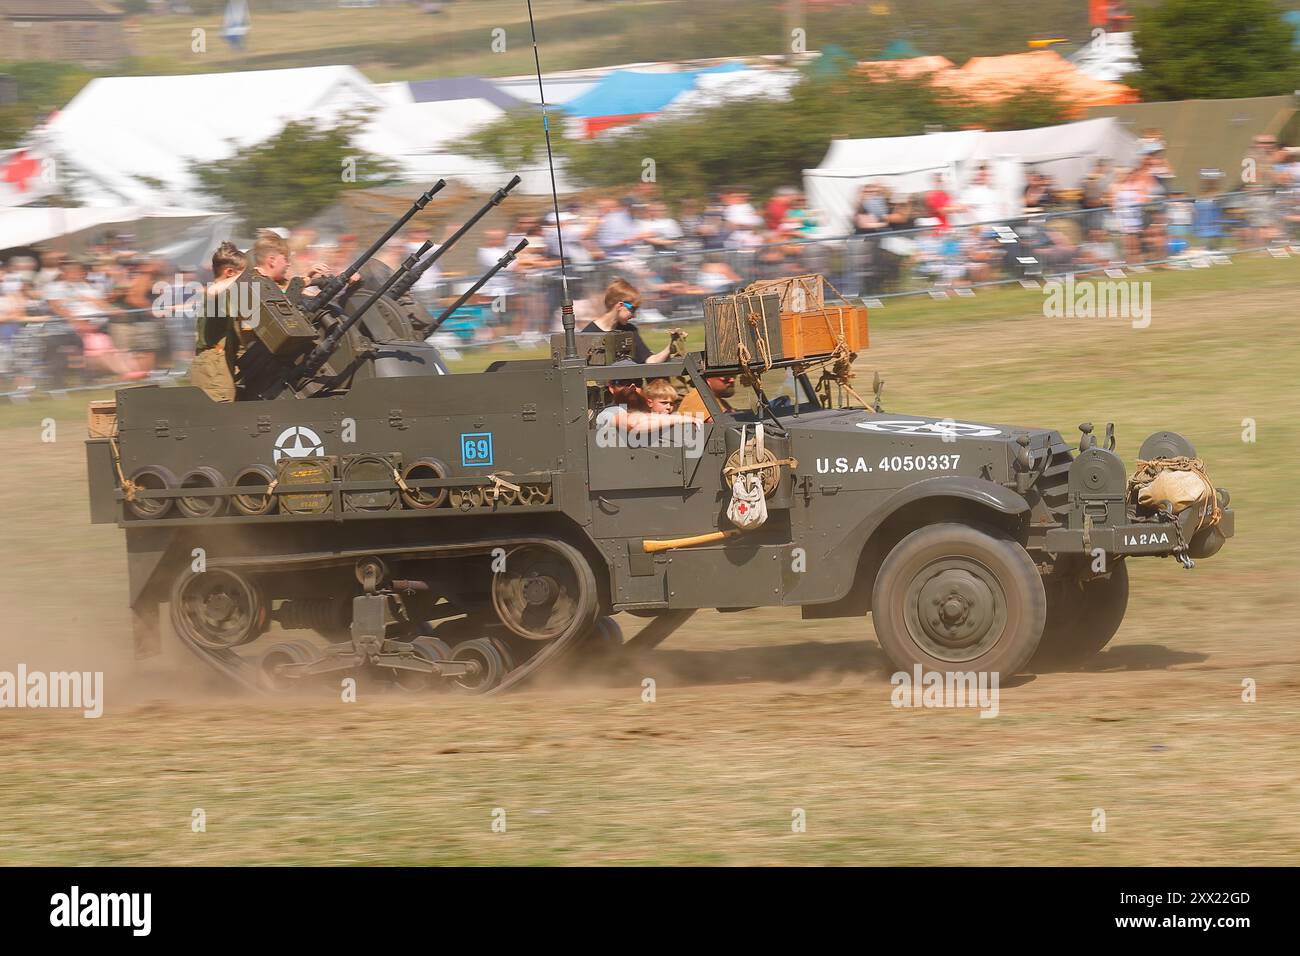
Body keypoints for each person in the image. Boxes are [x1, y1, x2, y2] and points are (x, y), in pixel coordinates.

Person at [190, 242, 247, 403]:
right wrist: (244, 276)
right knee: (220, 416)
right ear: (229, 272)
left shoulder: (228, 295)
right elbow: (213, 292)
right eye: (244, 275)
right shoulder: (216, 293)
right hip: (212, 367)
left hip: (220, 362)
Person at [580, 278, 672, 363]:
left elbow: (650, 361)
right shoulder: (587, 334)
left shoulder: (630, 331)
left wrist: (671, 347)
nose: (634, 316)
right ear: (620, 305)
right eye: (633, 309)